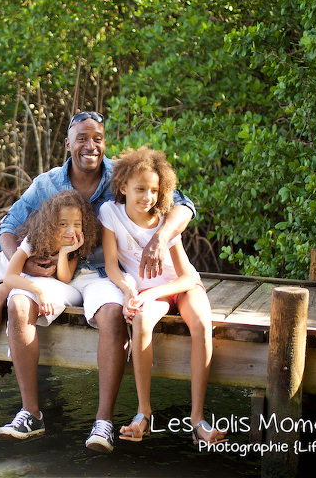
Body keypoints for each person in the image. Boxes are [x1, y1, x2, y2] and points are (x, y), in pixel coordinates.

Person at [0, 111, 196, 452]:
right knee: (17, 300)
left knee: (114, 312)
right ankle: (31, 413)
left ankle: (103, 422)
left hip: (104, 274)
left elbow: (184, 204)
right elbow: (8, 227)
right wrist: (26, 263)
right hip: (60, 272)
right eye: (82, 138)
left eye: (98, 138)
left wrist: (161, 237)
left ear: (105, 142)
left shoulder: (123, 174)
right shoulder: (46, 183)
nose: (91, 145)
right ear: (68, 143)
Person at [98, 146, 225, 445]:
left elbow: (187, 277)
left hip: (180, 288)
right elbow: (111, 268)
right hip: (146, 294)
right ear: (122, 187)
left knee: (202, 325)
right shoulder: (110, 214)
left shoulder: (163, 220)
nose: (147, 197)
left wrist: (152, 291)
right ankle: (143, 413)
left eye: (154, 190)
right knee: (141, 321)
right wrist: (130, 291)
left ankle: (198, 420)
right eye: (140, 189)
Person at [0, 190, 99, 439]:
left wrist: (66, 252)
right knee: (17, 303)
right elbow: (11, 276)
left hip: (67, 287)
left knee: (20, 298)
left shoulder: (74, 246)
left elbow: (64, 278)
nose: (69, 230)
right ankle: (31, 413)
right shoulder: (33, 239)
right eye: (62, 224)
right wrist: (36, 291)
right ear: (50, 223)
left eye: (76, 224)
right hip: (33, 283)